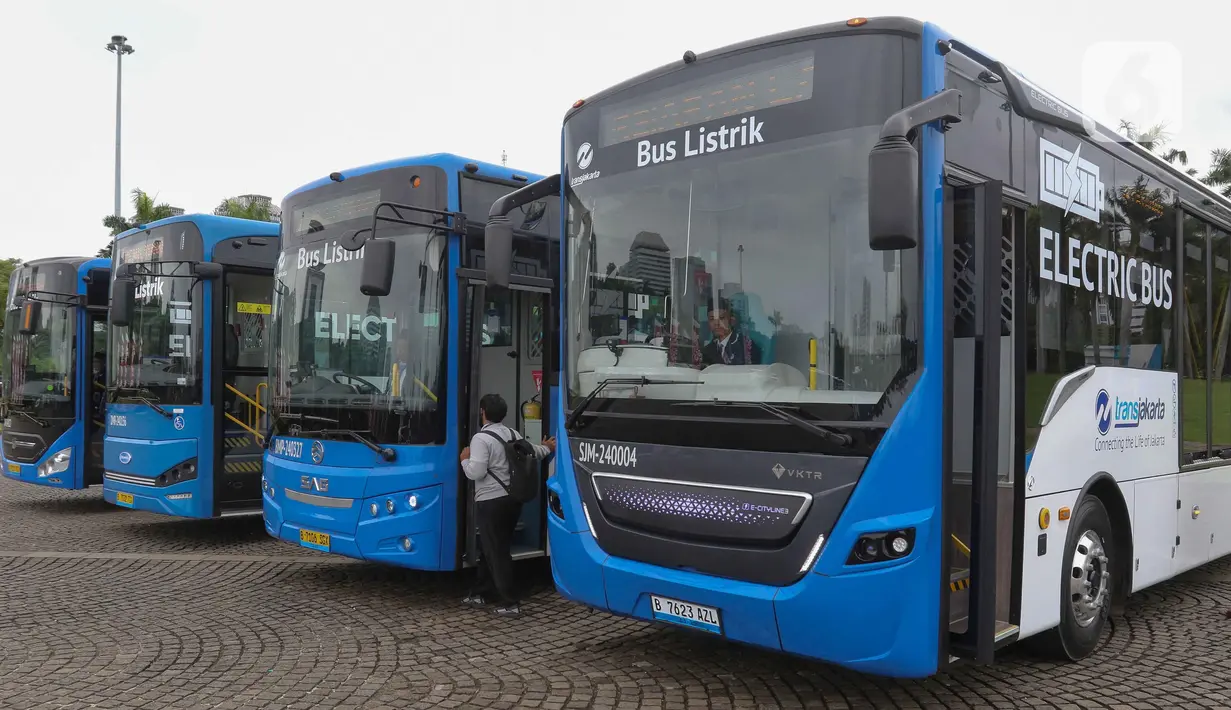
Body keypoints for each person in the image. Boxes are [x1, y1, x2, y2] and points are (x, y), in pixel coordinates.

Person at [460, 393, 556, 615]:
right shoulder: (512, 433)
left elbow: (477, 471)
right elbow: (534, 451)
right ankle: (481, 592)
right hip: (512, 501)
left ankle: (510, 602)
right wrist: (548, 448)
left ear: (482, 412)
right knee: (490, 547)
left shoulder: (480, 439)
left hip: (491, 502)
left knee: (497, 551)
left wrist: (464, 459)